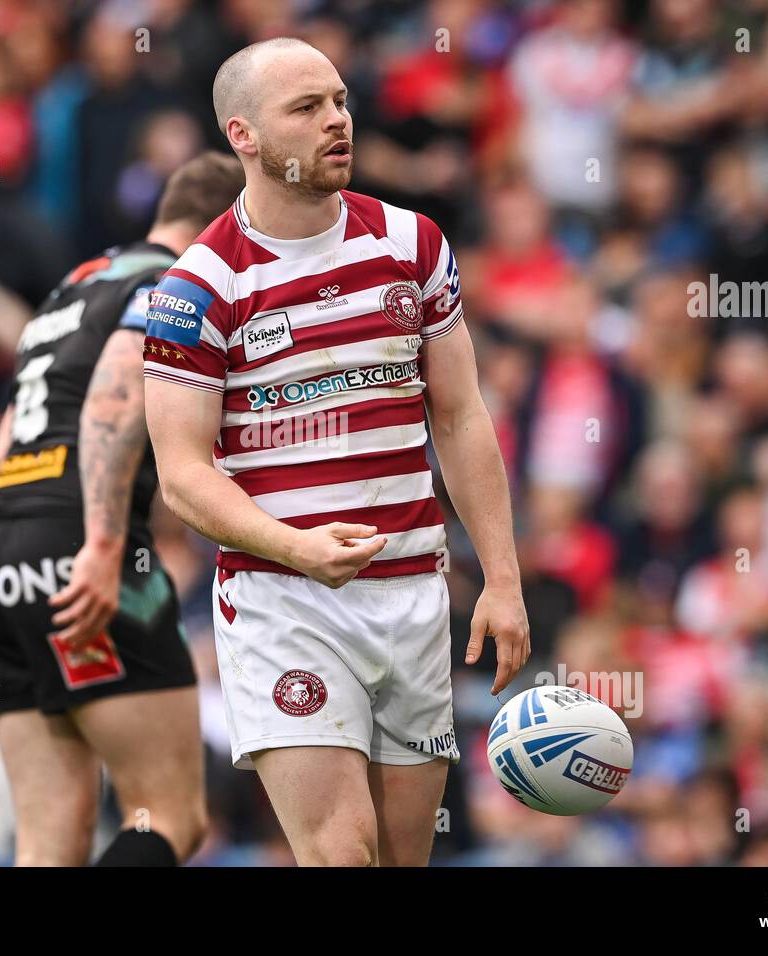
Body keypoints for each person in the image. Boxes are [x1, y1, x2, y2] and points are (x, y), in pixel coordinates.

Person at [142, 39, 530, 867]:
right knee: (341, 853)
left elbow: (460, 417)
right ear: (243, 135)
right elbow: (181, 476)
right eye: (307, 109)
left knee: (399, 858)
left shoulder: (413, 244)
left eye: (341, 102)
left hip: (413, 591)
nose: (337, 122)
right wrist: (295, 549)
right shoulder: (197, 289)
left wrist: (501, 577)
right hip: (286, 599)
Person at [0, 152, 246, 866]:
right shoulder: (171, 281)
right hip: (82, 550)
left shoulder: (72, 290)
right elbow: (113, 396)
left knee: (47, 841)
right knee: (171, 815)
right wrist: (100, 541)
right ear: (223, 227)